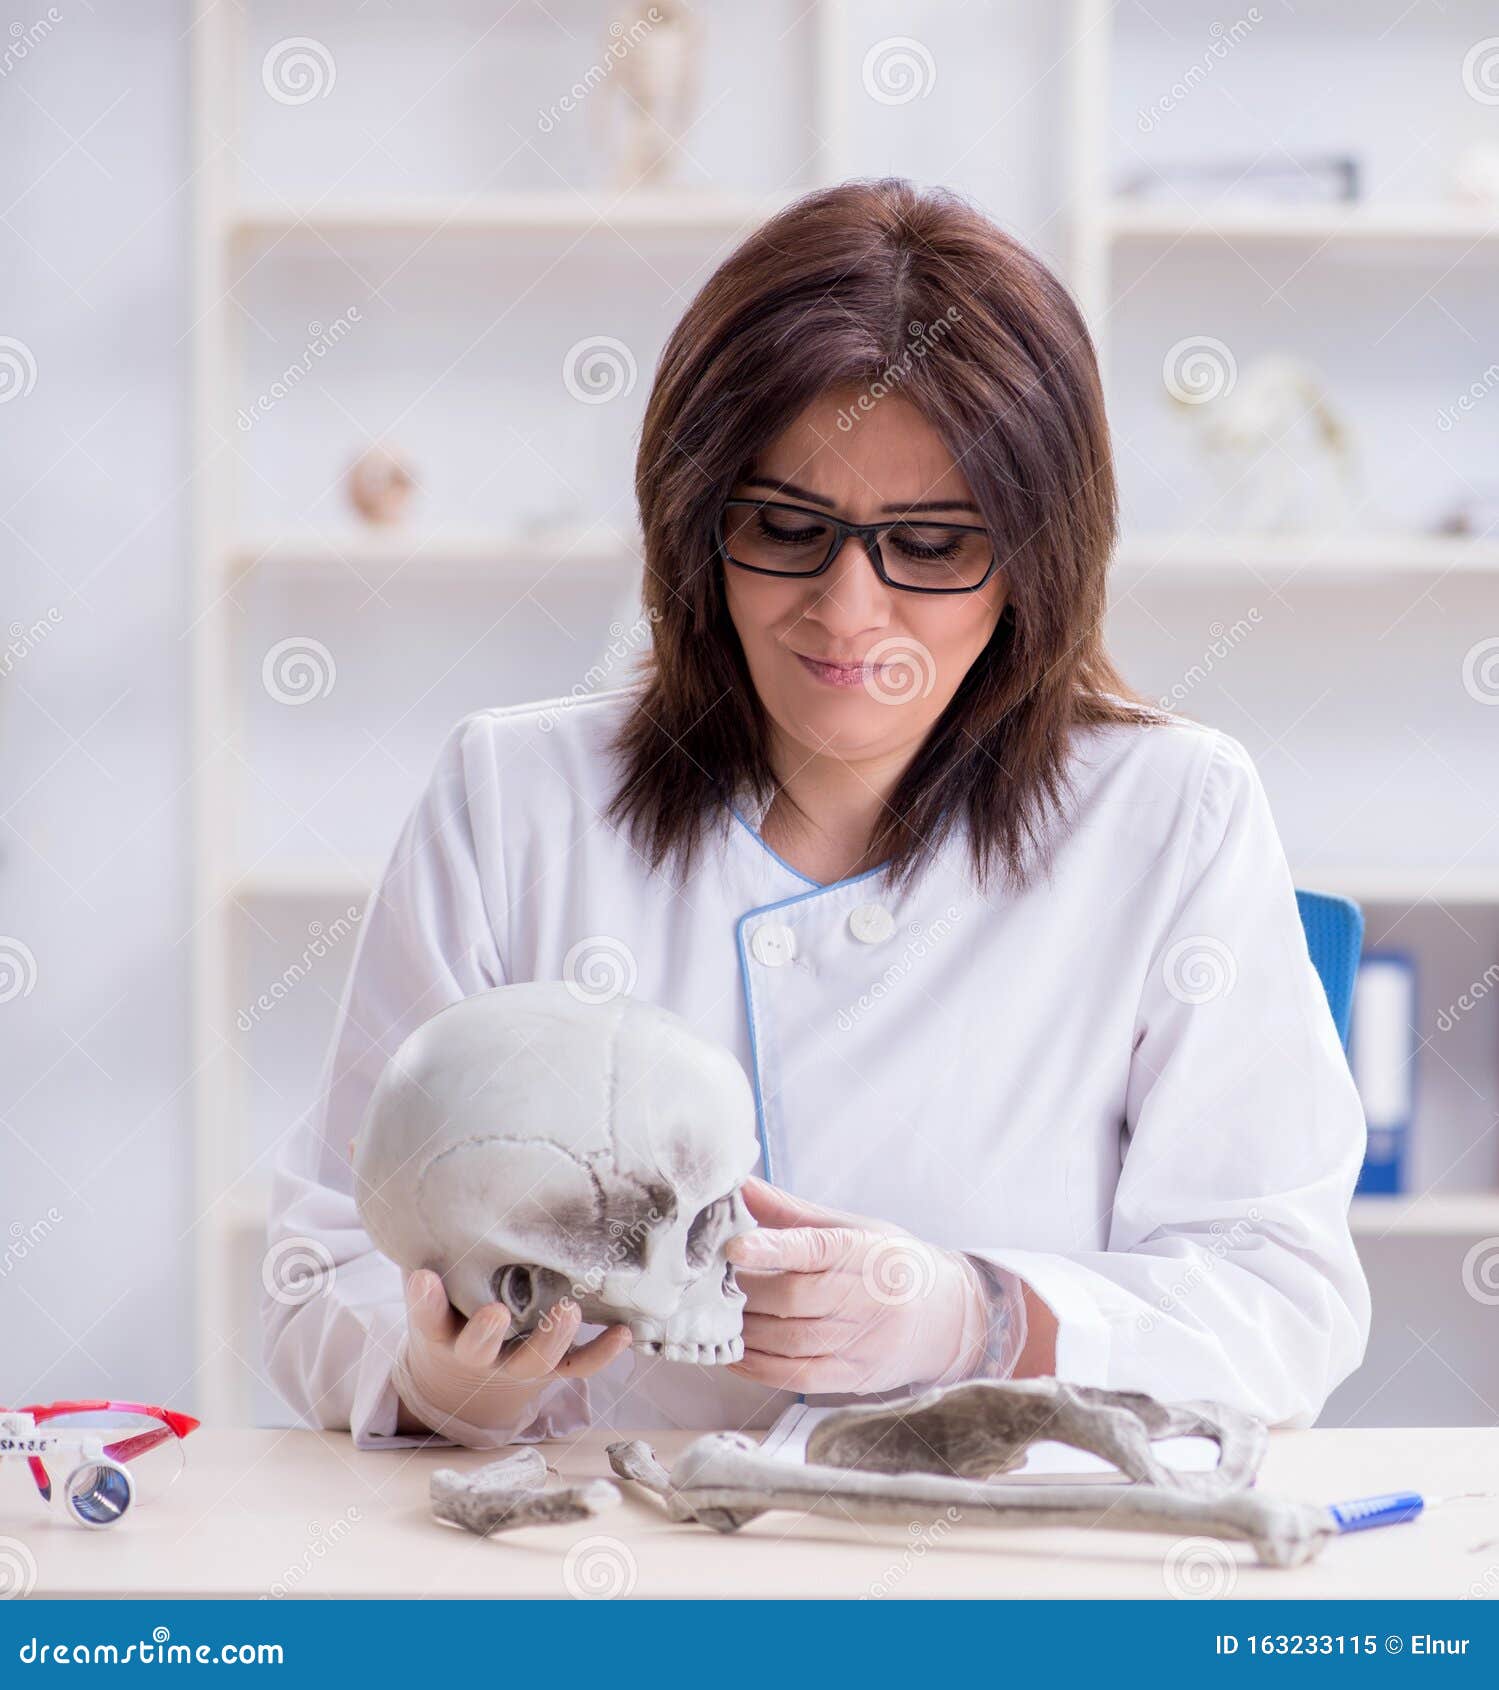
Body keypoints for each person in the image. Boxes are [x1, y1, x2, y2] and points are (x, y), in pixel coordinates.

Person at [262, 177, 1370, 1451]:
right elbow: (325, 1270)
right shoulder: (511, 802)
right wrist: (443, 1384)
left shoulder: (1173, 813)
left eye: (934, 544)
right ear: (694, 527)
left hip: (1006, 1581)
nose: (848, 613)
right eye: (786, 527)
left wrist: (980, 1318)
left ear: (1033, 558)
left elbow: (1281, 1302)